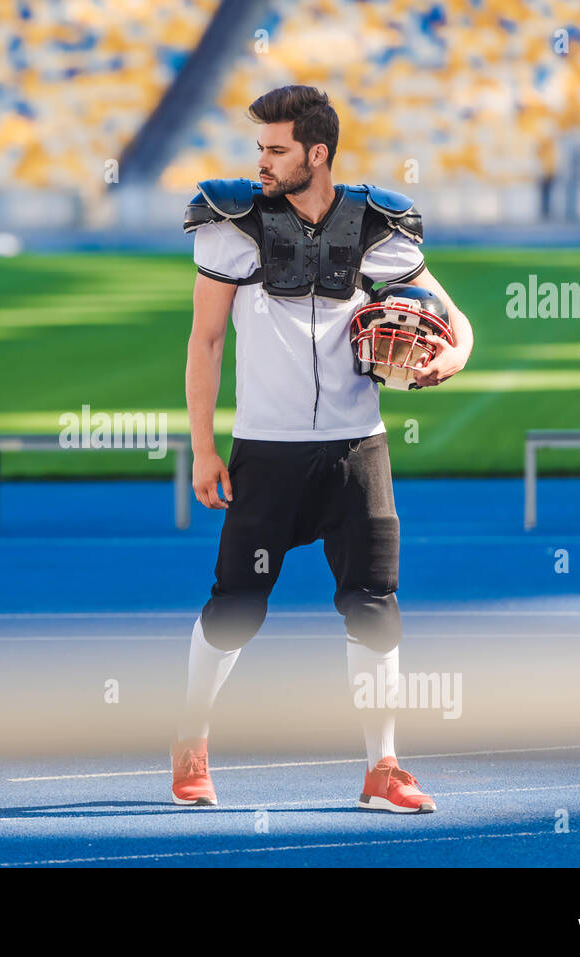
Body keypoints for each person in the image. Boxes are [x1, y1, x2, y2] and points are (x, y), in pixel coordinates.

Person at [173, 85, 474, 813]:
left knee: (376, 605)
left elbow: (452, 317)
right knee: (237, 605)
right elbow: (206, 341)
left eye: (276, 149)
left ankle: (384, 767)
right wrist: (203, 448)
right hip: (266, 450)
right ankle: (190, 739)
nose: (262, 162)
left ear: (318, 153)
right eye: (259, 148)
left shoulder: (377, 227)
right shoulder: (231, 225)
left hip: (356, 450)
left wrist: (453, 357)